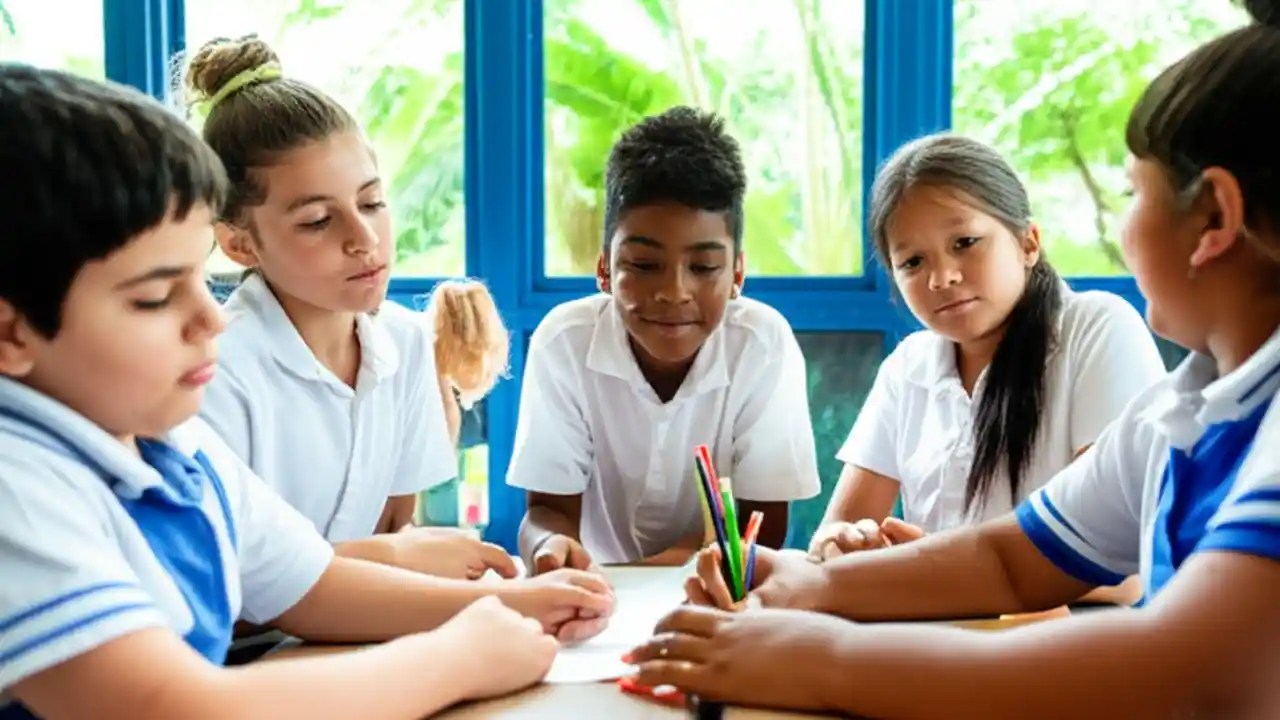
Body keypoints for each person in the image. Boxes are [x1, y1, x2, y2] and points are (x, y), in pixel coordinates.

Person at [629, 2, 1280, 717]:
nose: (941, 277)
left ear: (1215, 217)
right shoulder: (1184, 408)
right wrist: (801, 579)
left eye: (1132, 192)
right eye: (912, 260)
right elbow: (1009, 561)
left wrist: (821, 657)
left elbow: (1191, 673)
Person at [0, 64, 612, 720]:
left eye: (197, 282)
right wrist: (456, 657)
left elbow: (310, 586)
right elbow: (172, 707)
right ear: (12, 334)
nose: (210, 319)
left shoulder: (170, 441)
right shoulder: (18, 484)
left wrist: (512, 606)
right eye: (155, 297)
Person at [187, 37, 510, 581]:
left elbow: (395, 529)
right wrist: (393, 559)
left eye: (372, 203)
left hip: (352, 639)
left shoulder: (406, 344)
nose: (365, 239)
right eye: (317, 220)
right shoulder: (213, 371)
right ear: (239, 243)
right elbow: (216, 585)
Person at [807, 134, 1164, 605]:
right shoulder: (909, 365)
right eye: (912, 261)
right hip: (936, 635)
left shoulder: (1095, 328)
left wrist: (932, 572)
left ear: (1028, 242)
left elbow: (1123, 572)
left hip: (1068, 650)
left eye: (965, 242)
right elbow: (831, 537)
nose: (942, 277)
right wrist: (846, 546)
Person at [509, 106, 821, 574]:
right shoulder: (565, 343)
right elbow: (546, 512)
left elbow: (762, 525)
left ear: (737, 273)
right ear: (604, 269)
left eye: (703, 268)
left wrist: (652, 573)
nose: (674, 293)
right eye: (643, 264)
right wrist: (549, 549)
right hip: (596, 598)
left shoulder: (762, 345)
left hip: (717, 594)